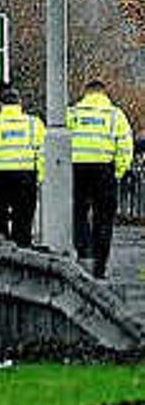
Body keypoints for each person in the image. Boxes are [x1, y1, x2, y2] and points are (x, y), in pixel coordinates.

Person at [66, 79, 134, 279]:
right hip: (105, 170)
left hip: (77, 169)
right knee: (103, 218)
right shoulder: (115, 115)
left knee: (78, 211)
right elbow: (125, 146)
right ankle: (100, 265)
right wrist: (118, 171)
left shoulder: (73, 114)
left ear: (85, 94)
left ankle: (83, 251)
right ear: (104, 94)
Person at [0, 88, 45, 247]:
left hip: (0, 179)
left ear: (1, 105)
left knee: (0, 223)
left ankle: (2, 256)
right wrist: (39, 177)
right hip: (27, 177)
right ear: (20, 103)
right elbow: (43, 153)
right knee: (23, 222)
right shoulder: (34, 124)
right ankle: (24, 256)